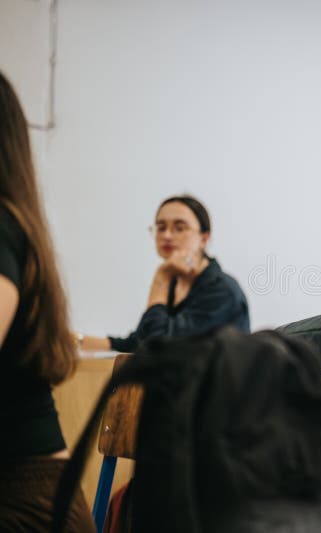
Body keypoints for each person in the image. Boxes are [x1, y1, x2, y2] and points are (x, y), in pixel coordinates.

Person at [0, 71, 94, 531]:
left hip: (30, 504)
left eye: (178, 226)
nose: (167, 237)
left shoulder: (1, 226)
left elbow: (147, 339)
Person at [78, 195, 250, 352]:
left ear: (204, 239)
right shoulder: (174, 286)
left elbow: (158, 349)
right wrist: (75, 341)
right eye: (161, 228)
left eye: (179, 228)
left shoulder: (222, 290)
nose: (167, 235)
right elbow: (138, 342)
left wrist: (161, 277)